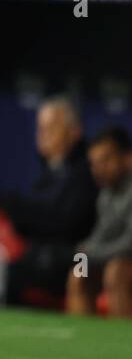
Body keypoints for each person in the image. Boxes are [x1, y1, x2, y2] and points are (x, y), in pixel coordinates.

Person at [0, 97, 98, 306]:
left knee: (79, 268)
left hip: (86, 256)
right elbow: (29, 224)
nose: (42, 136)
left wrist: (21, 210)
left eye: (51, 128)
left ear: (74, 132)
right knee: (9, 273)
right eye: (40, 129)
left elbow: (71, 223)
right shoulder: (48, 172)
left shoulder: (88, 170)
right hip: (45, 257)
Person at [67, 126, 132, 318]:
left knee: (115, 272)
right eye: (94, 163)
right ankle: (82, 340)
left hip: (123, 261)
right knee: (78, 272)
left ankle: (123, 339)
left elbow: (129, 243)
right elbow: (99, 235)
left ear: (127, 158)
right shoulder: (105, 194)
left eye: (106, 160)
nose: (99, 169)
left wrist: (92, 252)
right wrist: (84, 250)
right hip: (113, 257)